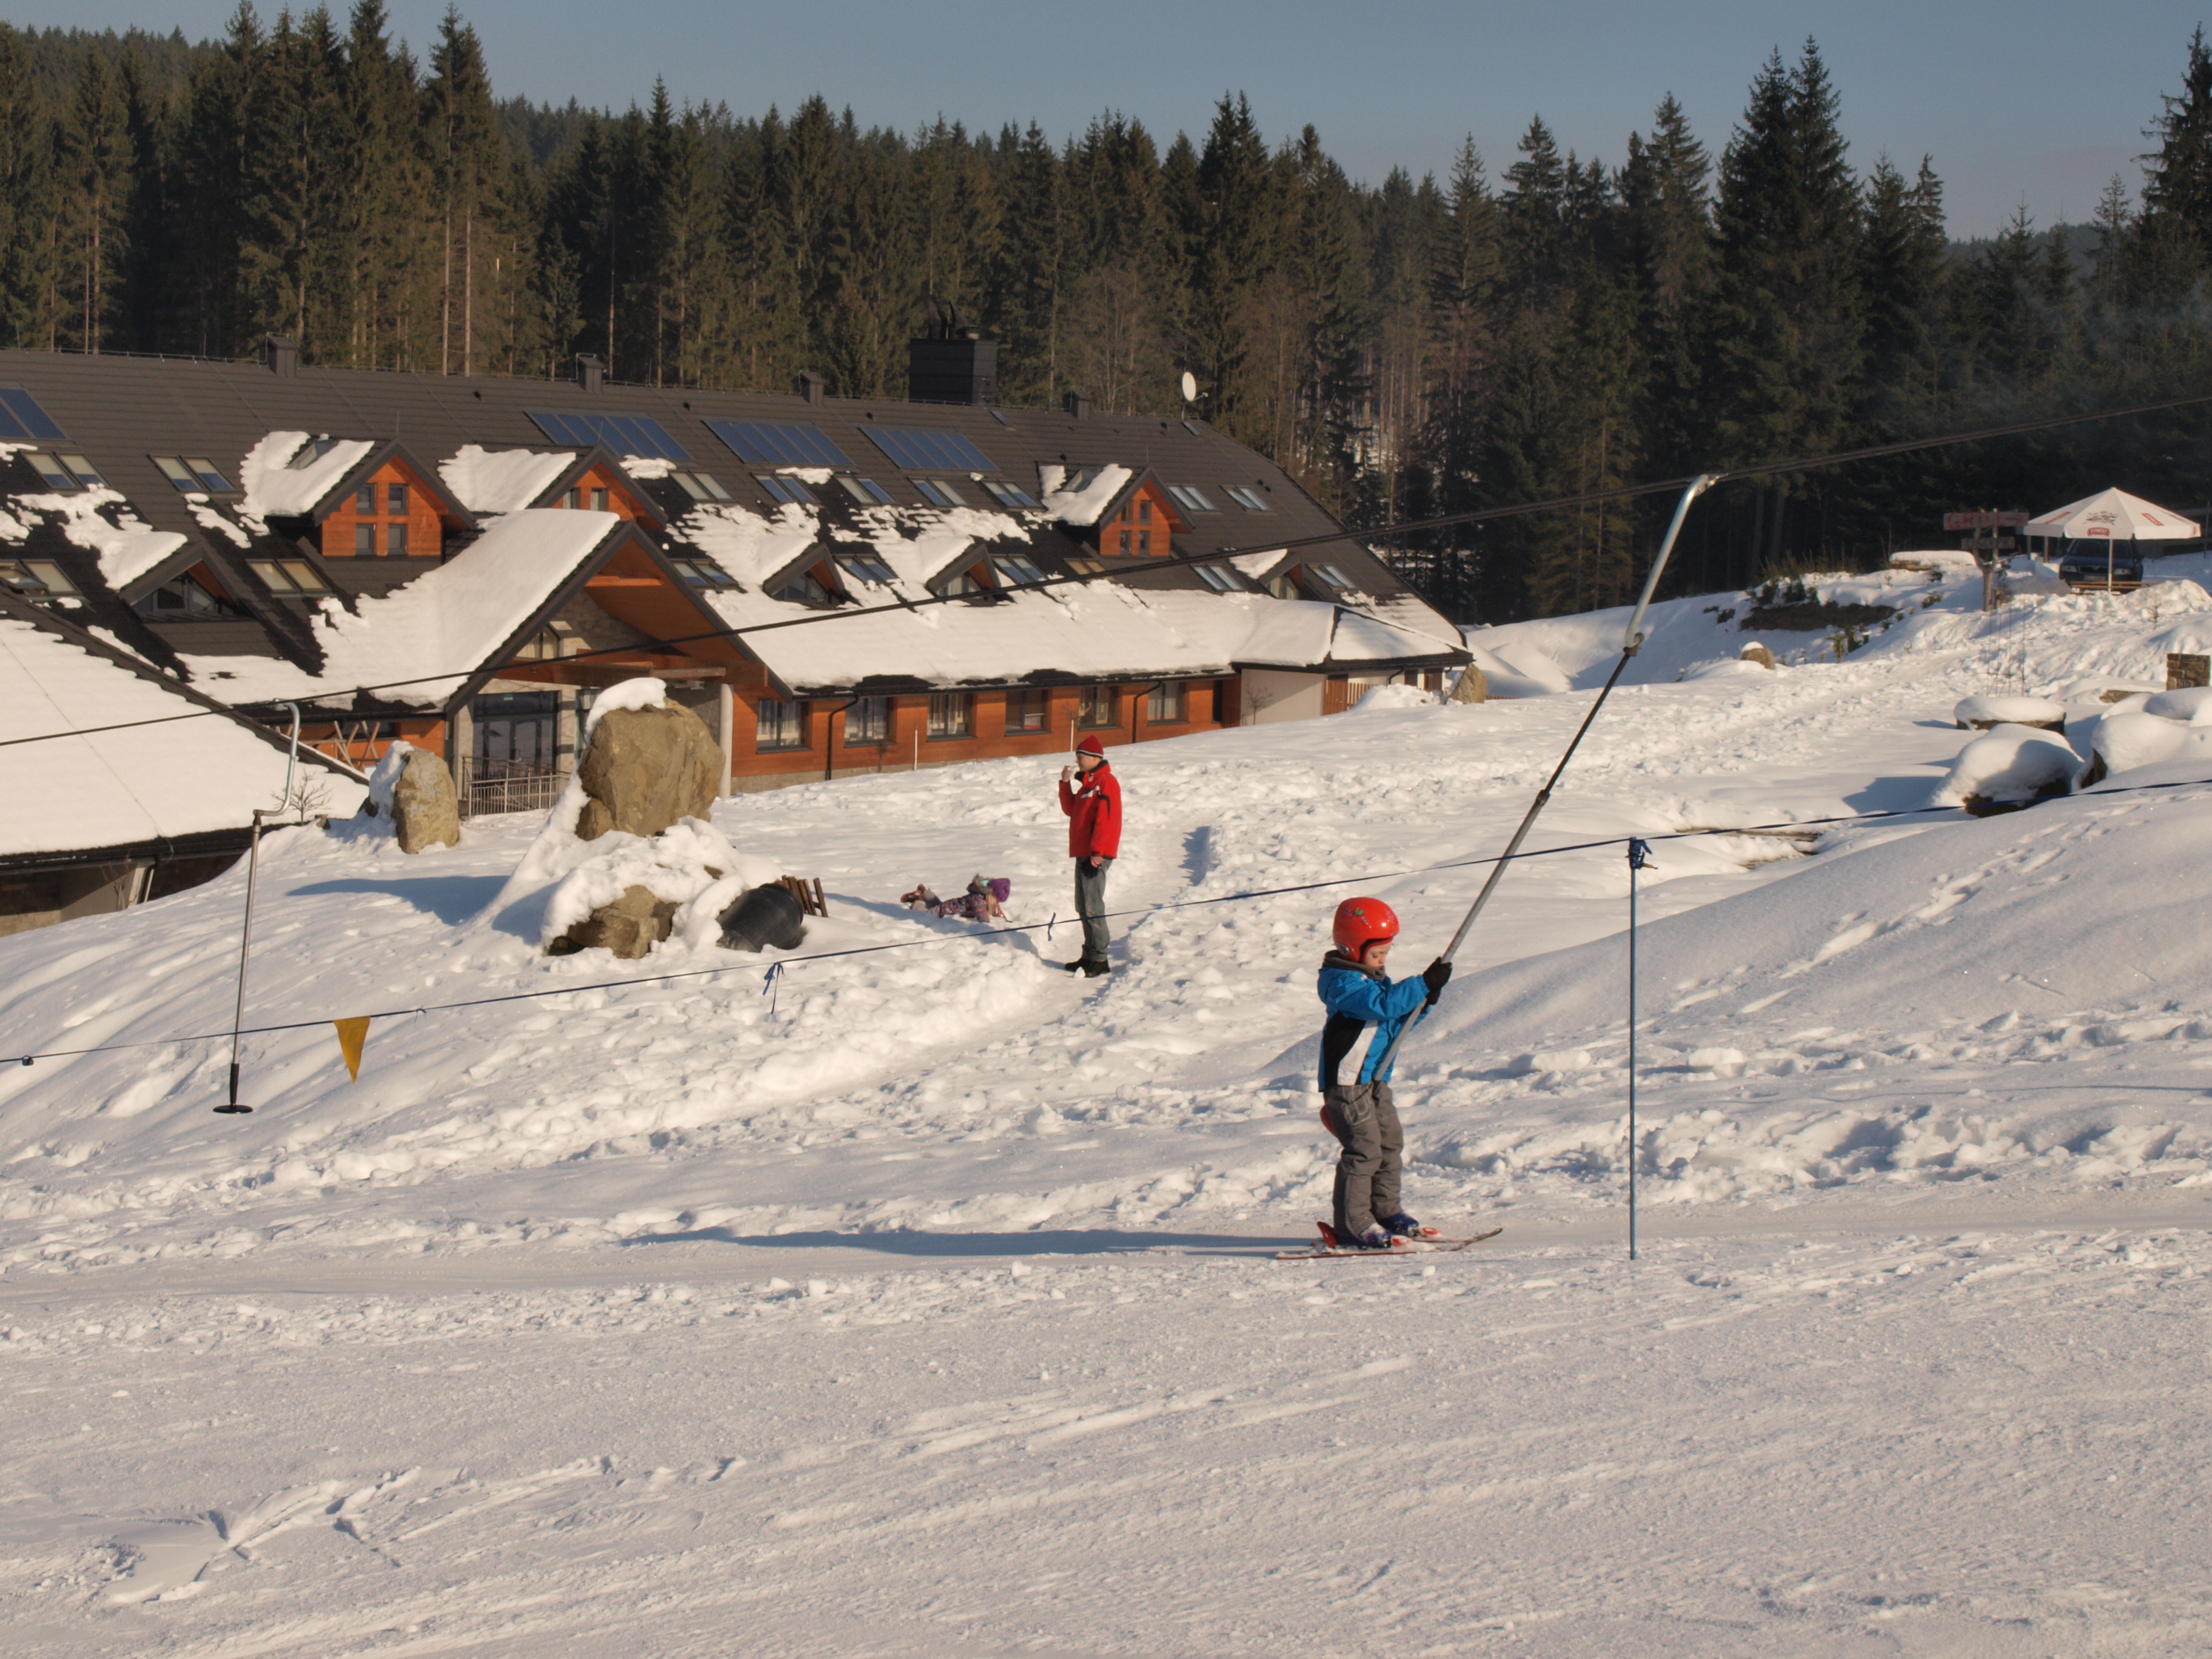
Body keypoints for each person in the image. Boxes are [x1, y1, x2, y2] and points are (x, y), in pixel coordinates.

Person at [1316, 896, 1451, 1248]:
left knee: (1390, 1145)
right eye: (1378, 955)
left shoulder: (1372, 981)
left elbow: (1393, 1020)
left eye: (1385, 954)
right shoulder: (1343, 984)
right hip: (1348, 1085)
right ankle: (1352, 1225)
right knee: (1364, 1152)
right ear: (1350, 948)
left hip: (1375, 1081)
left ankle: (1386, 1211)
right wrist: (1420, 984)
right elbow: (1379, 1006)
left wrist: (1424, 1002)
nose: (1383, 960)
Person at [1057, 735, 1121, 976]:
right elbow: (1071, 810)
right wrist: (1065, 784)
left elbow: (1106, 820)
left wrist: (1097, 852)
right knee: (1083, 906)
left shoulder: (1107, 783)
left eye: (1080, 756)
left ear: (1095, 758)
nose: (1077, 761)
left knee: (1094, 907)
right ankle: (1088, 956)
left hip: (1096, 855)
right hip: (1083, 854)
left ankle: (1100, 959)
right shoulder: (1088, 784)